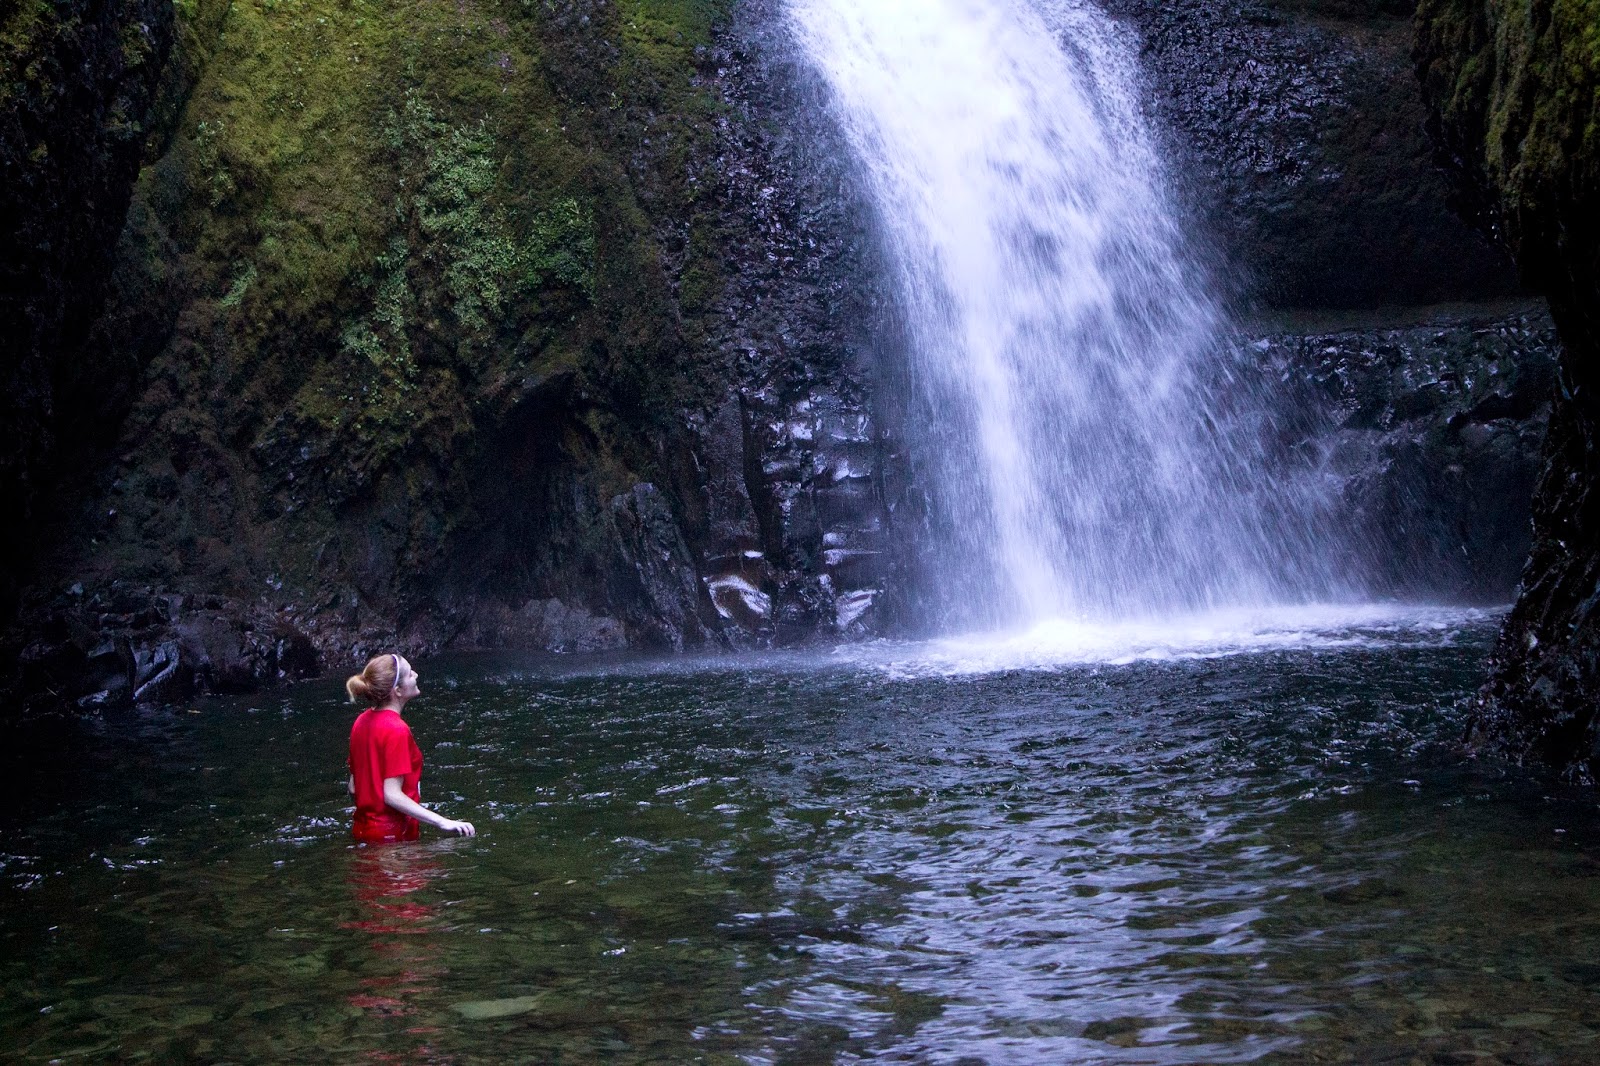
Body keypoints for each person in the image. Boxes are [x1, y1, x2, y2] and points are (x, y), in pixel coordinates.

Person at [345, 653, 476, 843]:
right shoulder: (397, 729)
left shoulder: (361, 722)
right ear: (398, 690)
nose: (416, 675)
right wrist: (442, 822)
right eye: (409, 674)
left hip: (362, 831)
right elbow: (391, 794)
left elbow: (353, 787)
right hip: (394, 837)